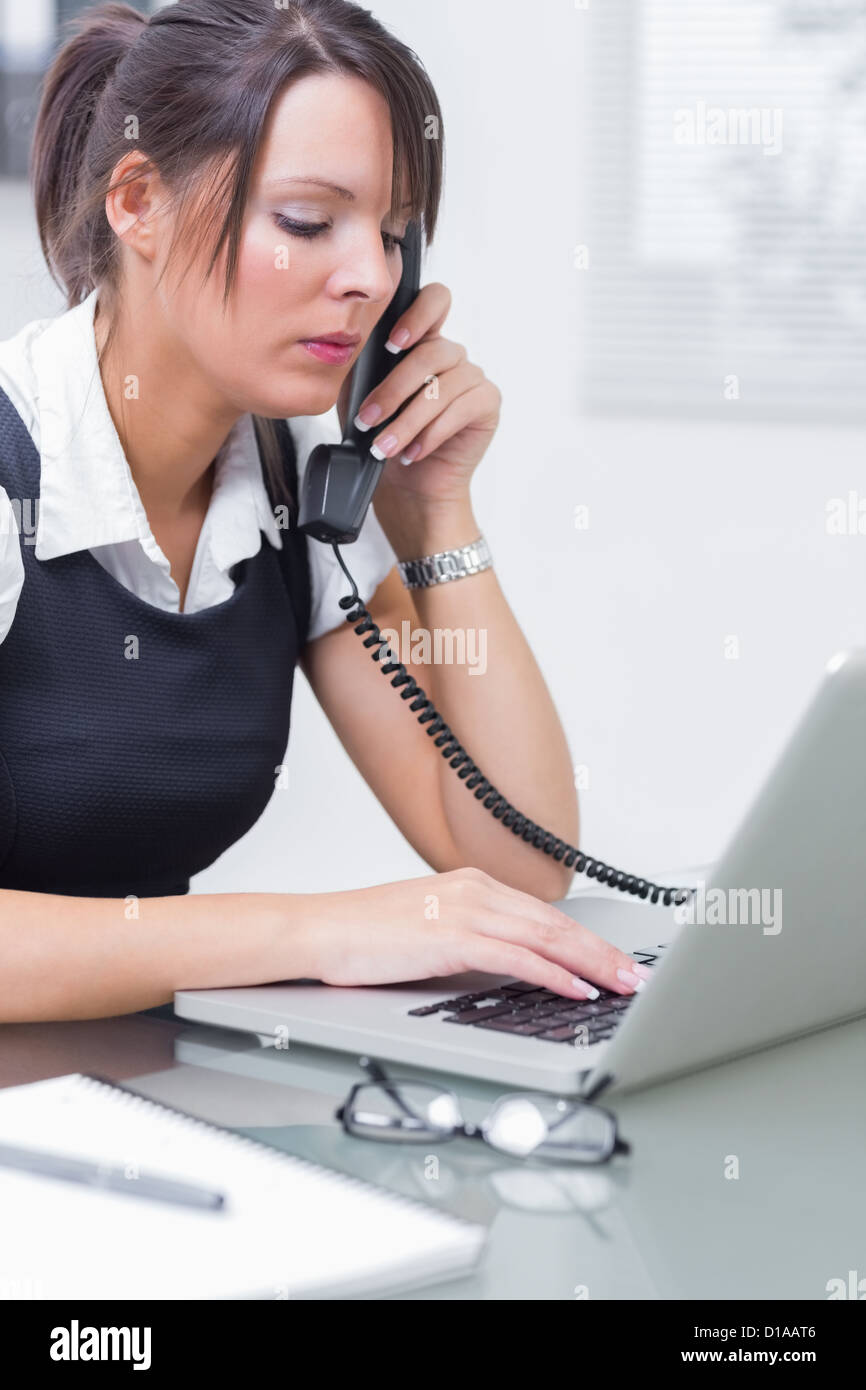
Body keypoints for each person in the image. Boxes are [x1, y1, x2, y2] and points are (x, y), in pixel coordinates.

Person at [0, 0, 651, 1021]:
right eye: (307, 222)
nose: (367, 279)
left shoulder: (291, 482)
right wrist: (316, 929)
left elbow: (518, 860)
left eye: (392, 235)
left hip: (125, 1084)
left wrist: (433, 511)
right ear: (138, 203)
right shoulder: (13, 469)